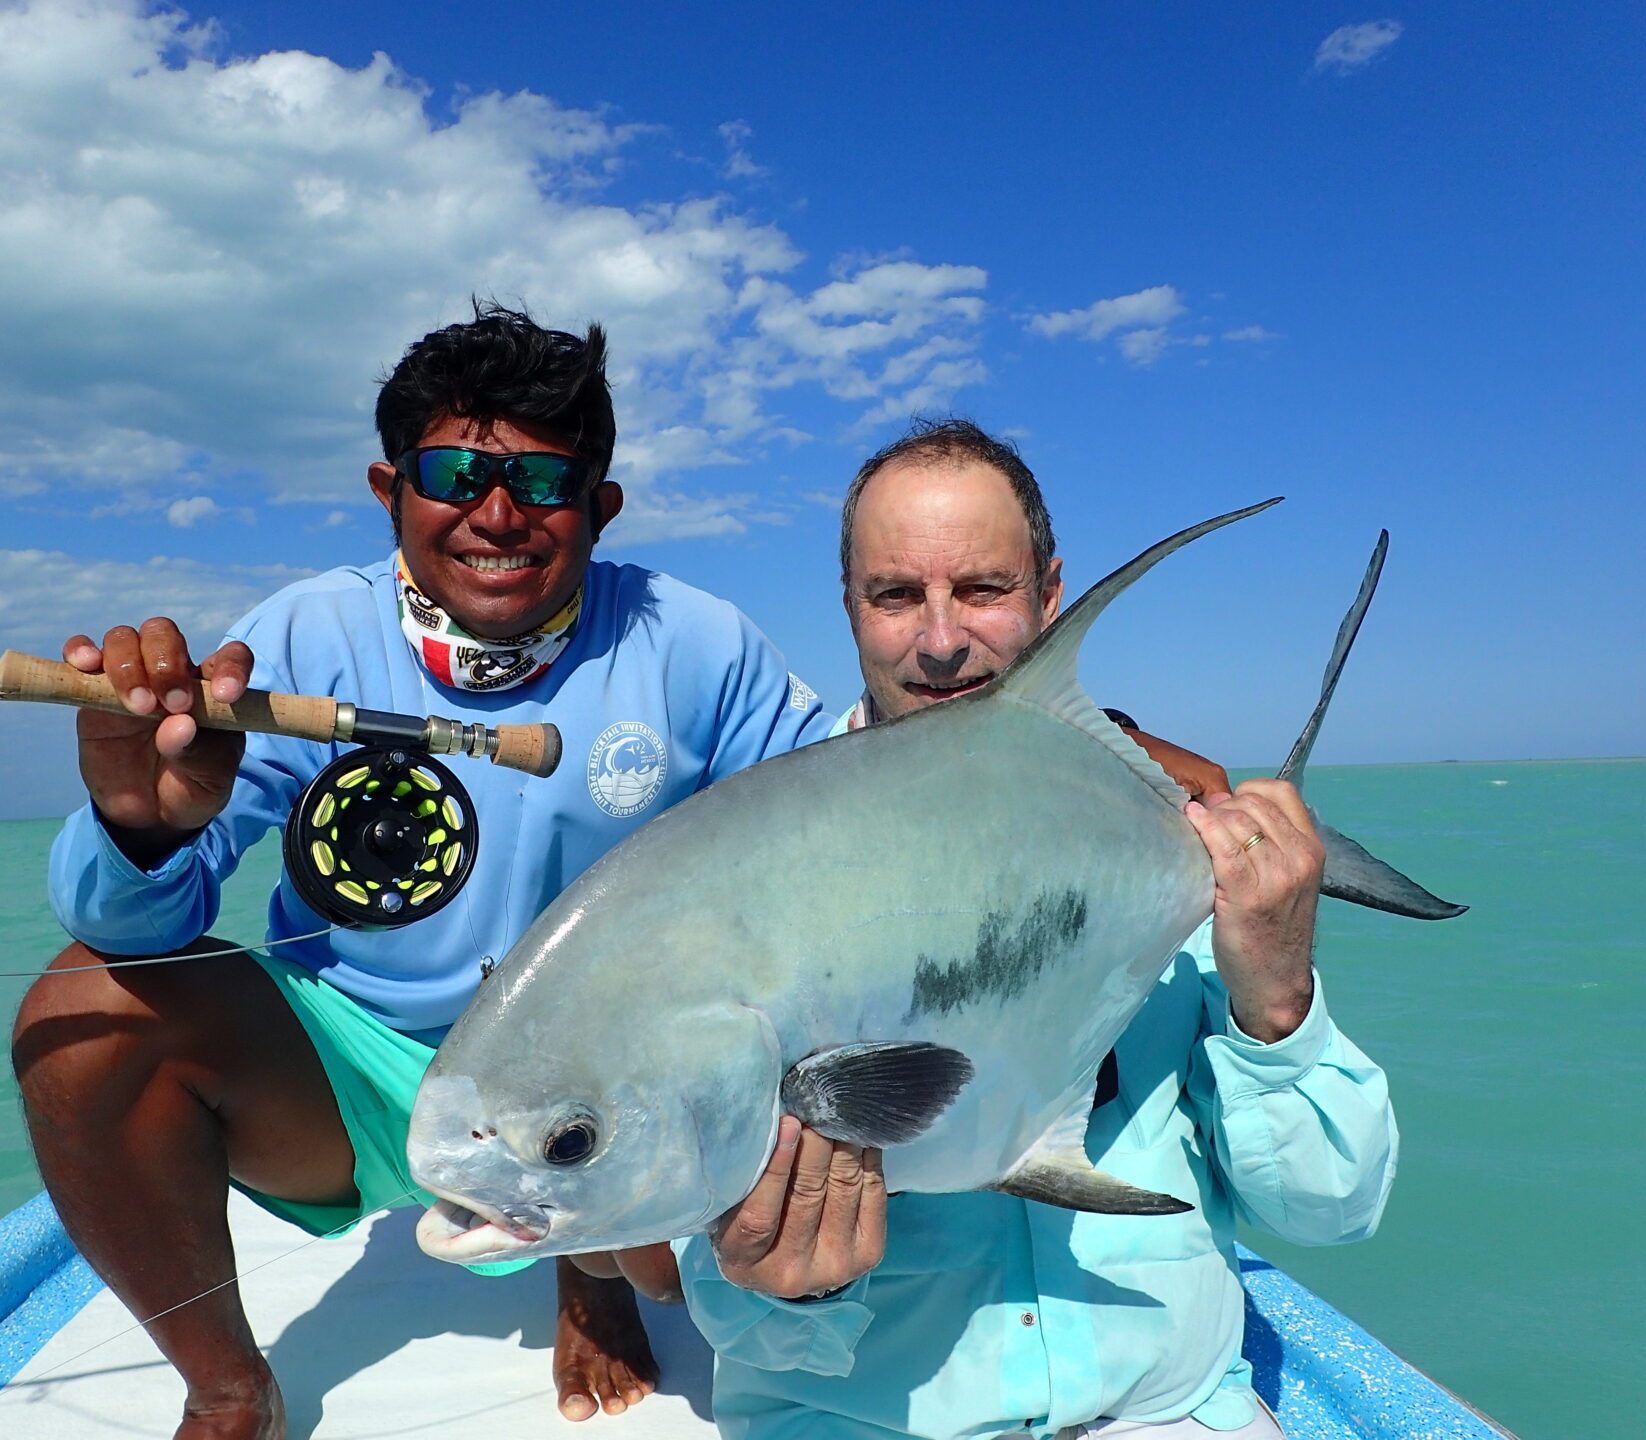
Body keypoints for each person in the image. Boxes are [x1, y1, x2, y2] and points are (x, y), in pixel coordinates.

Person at [13, 304, 837, 1440]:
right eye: (453, 472)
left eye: (543, 485)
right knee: (78, 1010)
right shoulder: (300, 637)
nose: (496, 515)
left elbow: (838, 848)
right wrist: (140, 824)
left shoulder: (699, 646)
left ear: (599, 507)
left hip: (605, 1085)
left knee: (689, 1270)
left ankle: (591, 1266)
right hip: (354, 1072)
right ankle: (226, 1383)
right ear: (388, 488)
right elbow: (130, 931)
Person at [580, 419, 1396, 1440]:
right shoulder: (745, 873)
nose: (939, 640)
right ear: (850, 610)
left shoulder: (1156, 828)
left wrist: (1275, 993)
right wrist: (785, 1291)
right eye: (895, 596)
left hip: (1173, 1412)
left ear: (1050, 597)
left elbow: (1334, 1211)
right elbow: (751, 1333)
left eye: (982, 589)